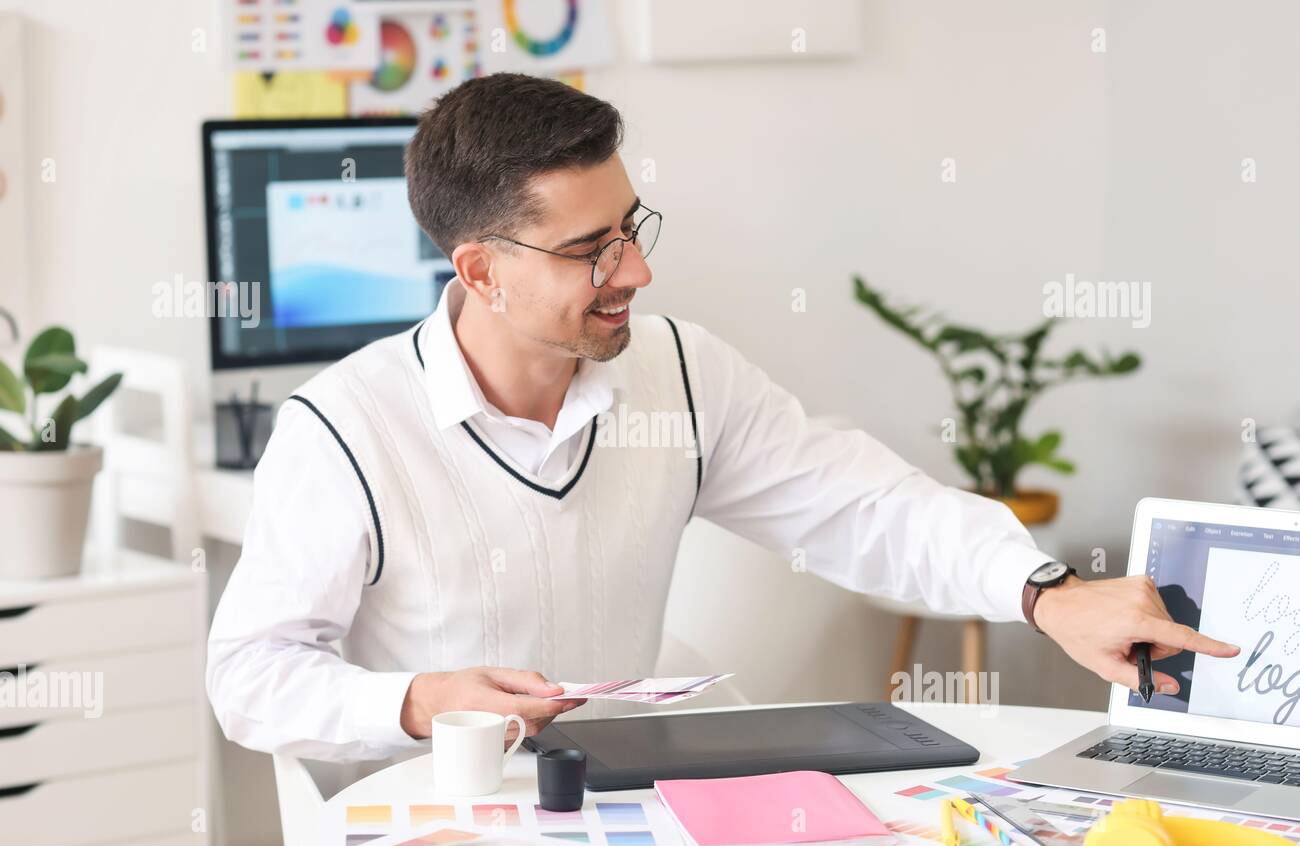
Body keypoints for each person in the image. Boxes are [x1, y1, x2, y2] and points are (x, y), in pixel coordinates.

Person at [206, 73, 1238, 763]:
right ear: (480, 269)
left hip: (628, 805)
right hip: (447, 823)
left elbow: (861, 505)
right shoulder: (344, 429)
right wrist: (417, 700)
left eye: (632, 228)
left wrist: (1045, 592)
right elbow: (249, 678)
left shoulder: (680, 374)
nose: (638, 271)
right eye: (591, 250)